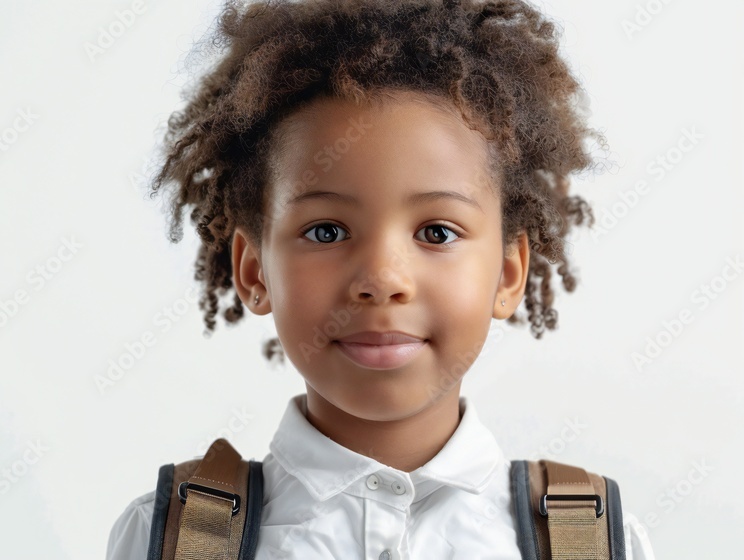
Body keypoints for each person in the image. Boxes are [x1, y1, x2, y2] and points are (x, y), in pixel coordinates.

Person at [107, 0, 657, 557]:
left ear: (508, 274)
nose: (382, 279)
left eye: (437, 232)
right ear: (254, 271)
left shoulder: (593, 540)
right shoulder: (170, 536)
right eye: (326, 231)